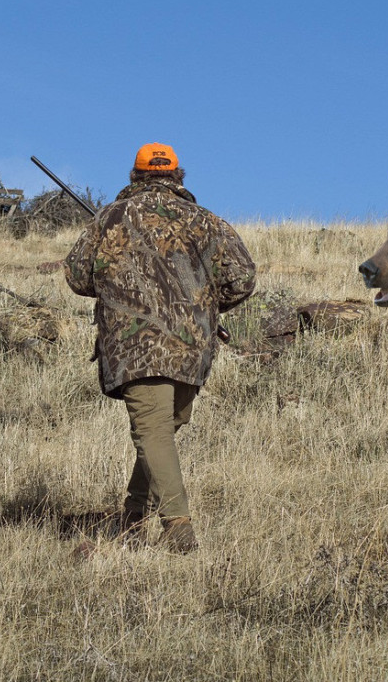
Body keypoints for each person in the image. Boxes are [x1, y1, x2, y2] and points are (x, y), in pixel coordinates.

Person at [65, 143, 255, 554]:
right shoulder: (207, 222)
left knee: (156, 434)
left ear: (135, 176)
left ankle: (175, 530)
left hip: (134, 344)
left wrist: (118, 273)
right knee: (159, 433)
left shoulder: (110, 218)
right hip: (191, 347)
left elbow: (77, 277)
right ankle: (141, 522)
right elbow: (242, 279)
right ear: (177, 176)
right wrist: (205, 301)